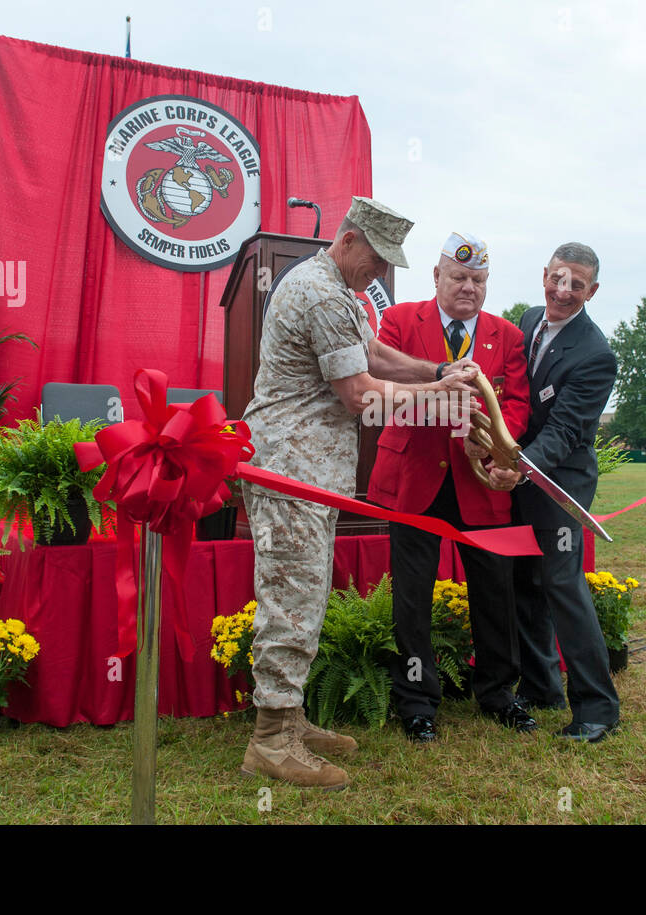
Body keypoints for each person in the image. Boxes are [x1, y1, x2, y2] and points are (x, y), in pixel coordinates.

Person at [240, 197, 477, 789]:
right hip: (290, 473)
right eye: (374, 259)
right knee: (290, 600)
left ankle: (290, 720)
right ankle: (271, 739)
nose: (378, 273)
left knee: (304, 595)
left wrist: (435, 371)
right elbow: (359, 393)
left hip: (306, 474)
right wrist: (443, 401)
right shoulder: (321, 291)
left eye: (385, 265)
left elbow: (369, 353)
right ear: (346, 241)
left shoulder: (332, 286)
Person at [366, 232, 534, 742]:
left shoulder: (507, 335)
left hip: (480, 483)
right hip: (413, 479)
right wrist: (437, 402)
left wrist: (496, 447)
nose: (469, 288)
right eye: (459, 277)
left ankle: (498, 694)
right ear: (435, 277)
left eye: (478, 280)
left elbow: (519, 405)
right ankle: (417, 702)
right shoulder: (397, 321)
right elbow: (380, 391)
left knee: (494, 591)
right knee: (412, 597)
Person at [494, 242, 621, 743]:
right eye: (557, 279)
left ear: (593, 291)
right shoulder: (526, 319)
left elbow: (566, 432)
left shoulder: (596, 354)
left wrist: (516, 466)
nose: (563, 292)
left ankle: (597, 707)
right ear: (544, 273)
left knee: (563, 586)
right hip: (521, 475)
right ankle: (542, 684)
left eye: (577, 285)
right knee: (525, 580)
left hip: (559, 483)